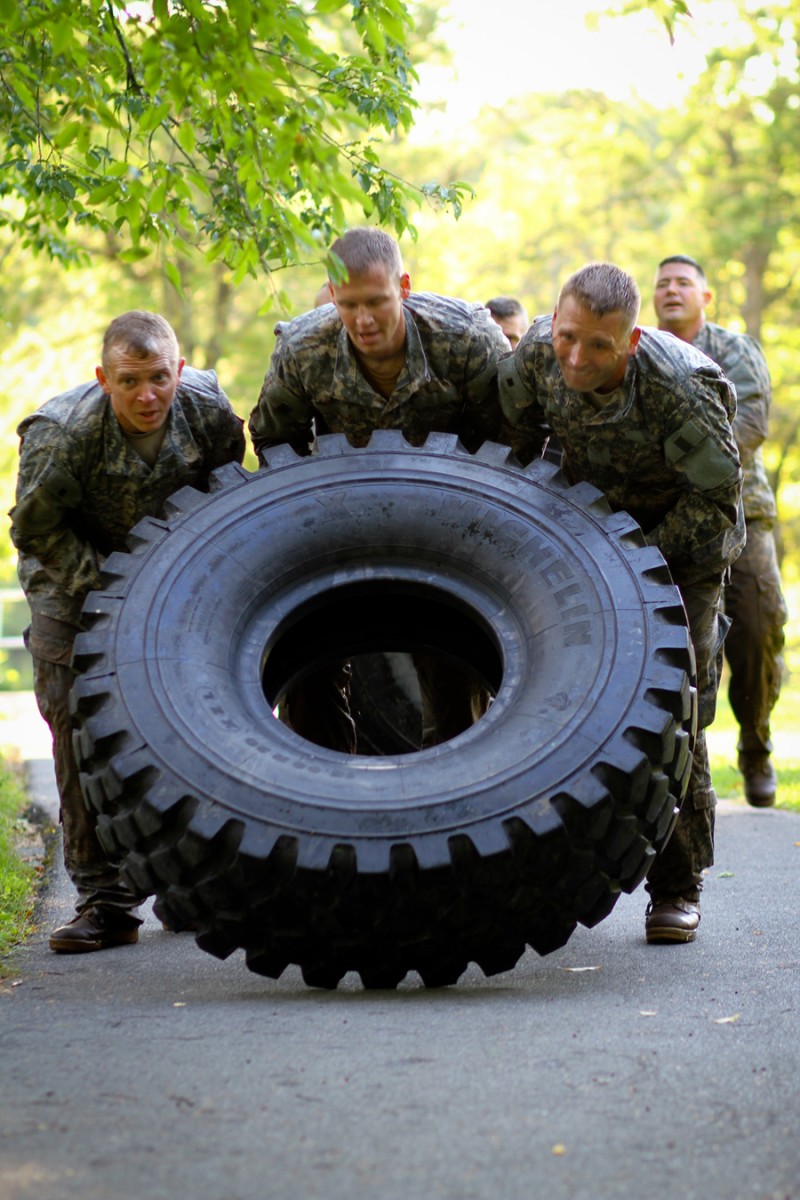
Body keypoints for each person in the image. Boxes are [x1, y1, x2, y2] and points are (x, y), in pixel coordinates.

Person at [498, 262, 744, 945]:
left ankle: (677, 887)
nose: (576, 358)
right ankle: (551, 868)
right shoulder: (536, 354)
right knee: (550, 699)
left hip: (681, 550)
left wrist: (635, 555)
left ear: (630, 341)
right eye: (568, 337)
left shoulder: (679, 389)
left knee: (677, 711)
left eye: (598, 346)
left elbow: (717, 506)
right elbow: (510, 446)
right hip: (582, 536)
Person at [9, 311, 246, 953]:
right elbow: (35, 531)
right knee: (79, 728)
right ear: (103, 378)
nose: (147, 396)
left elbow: (226, 497)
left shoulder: (208, 414)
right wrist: (115, 588)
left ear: (181, 371)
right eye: (130, 380)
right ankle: (105, 900)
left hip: (170, 576)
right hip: (72, 580)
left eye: (160, 378)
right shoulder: (62, 433)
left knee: (192, 717)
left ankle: (187, 883)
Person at [249, 226, 510, 747]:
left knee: (452, 684)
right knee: (307, 679)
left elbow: (506, 445)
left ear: (404, 287)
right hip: (337, 530)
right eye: (347, 305)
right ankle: (324, 802)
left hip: (447, 532)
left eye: (376, 301)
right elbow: (277, 448)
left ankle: (450, 806)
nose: (363, 321)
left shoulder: (464, 340)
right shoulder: (304, 349)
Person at [653, 254, 787, 807]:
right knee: (681, 644)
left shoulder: (733, 349)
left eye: (683, 282)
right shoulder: (645, 354)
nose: (671, 290)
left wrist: (673, 453)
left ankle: (755, 745)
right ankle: (686, 763)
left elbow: (751, 426)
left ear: (705, 297)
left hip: (742, 513)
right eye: (662, 283)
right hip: (670, 519)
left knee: (758, 629)